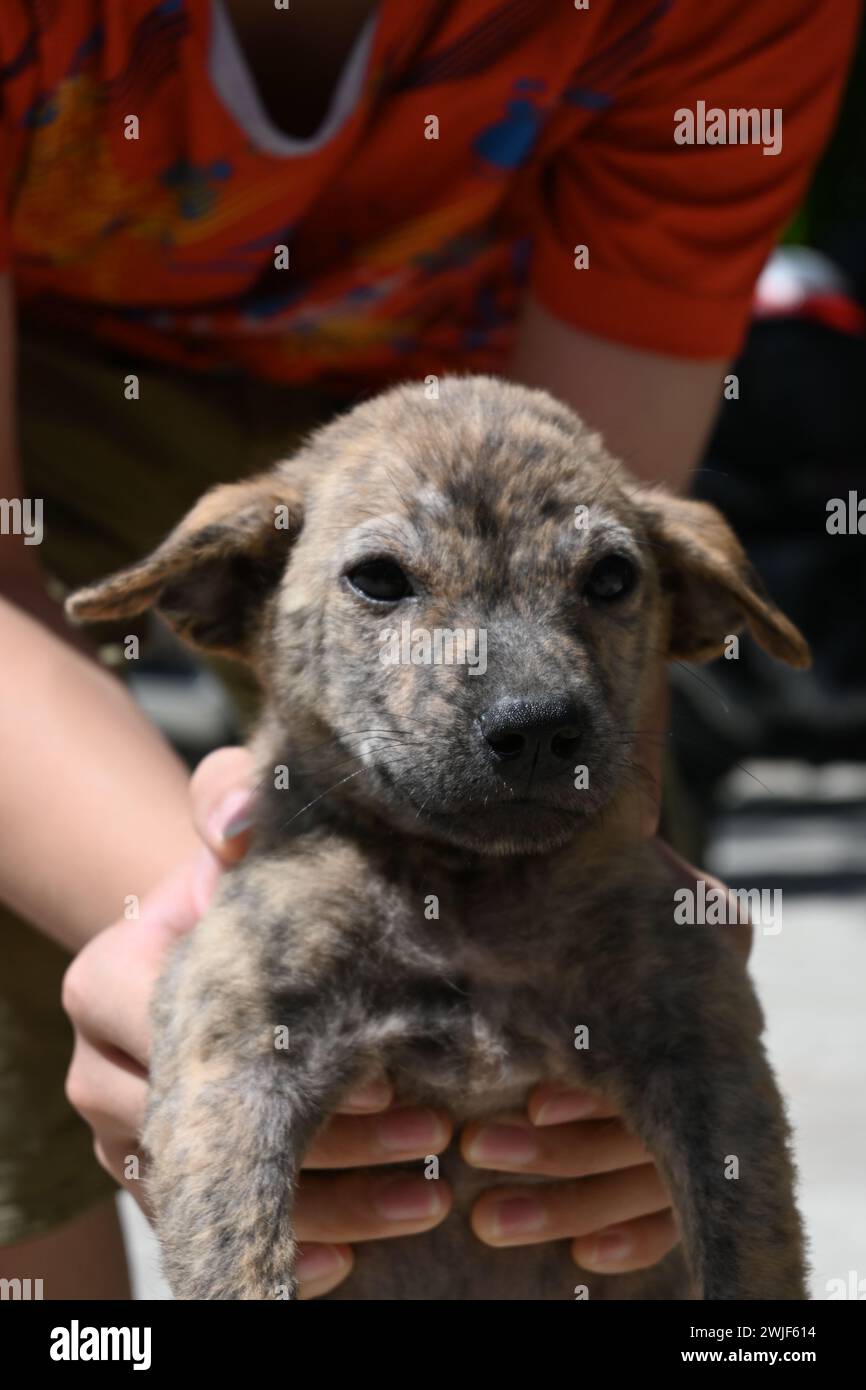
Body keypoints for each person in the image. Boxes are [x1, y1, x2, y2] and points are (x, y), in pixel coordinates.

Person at [0, 0, 857, 1300]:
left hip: (474, 429)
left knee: (585, 1115)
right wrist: (225, 971)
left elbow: (599, 554)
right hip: (58, 386)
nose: (524, 693)